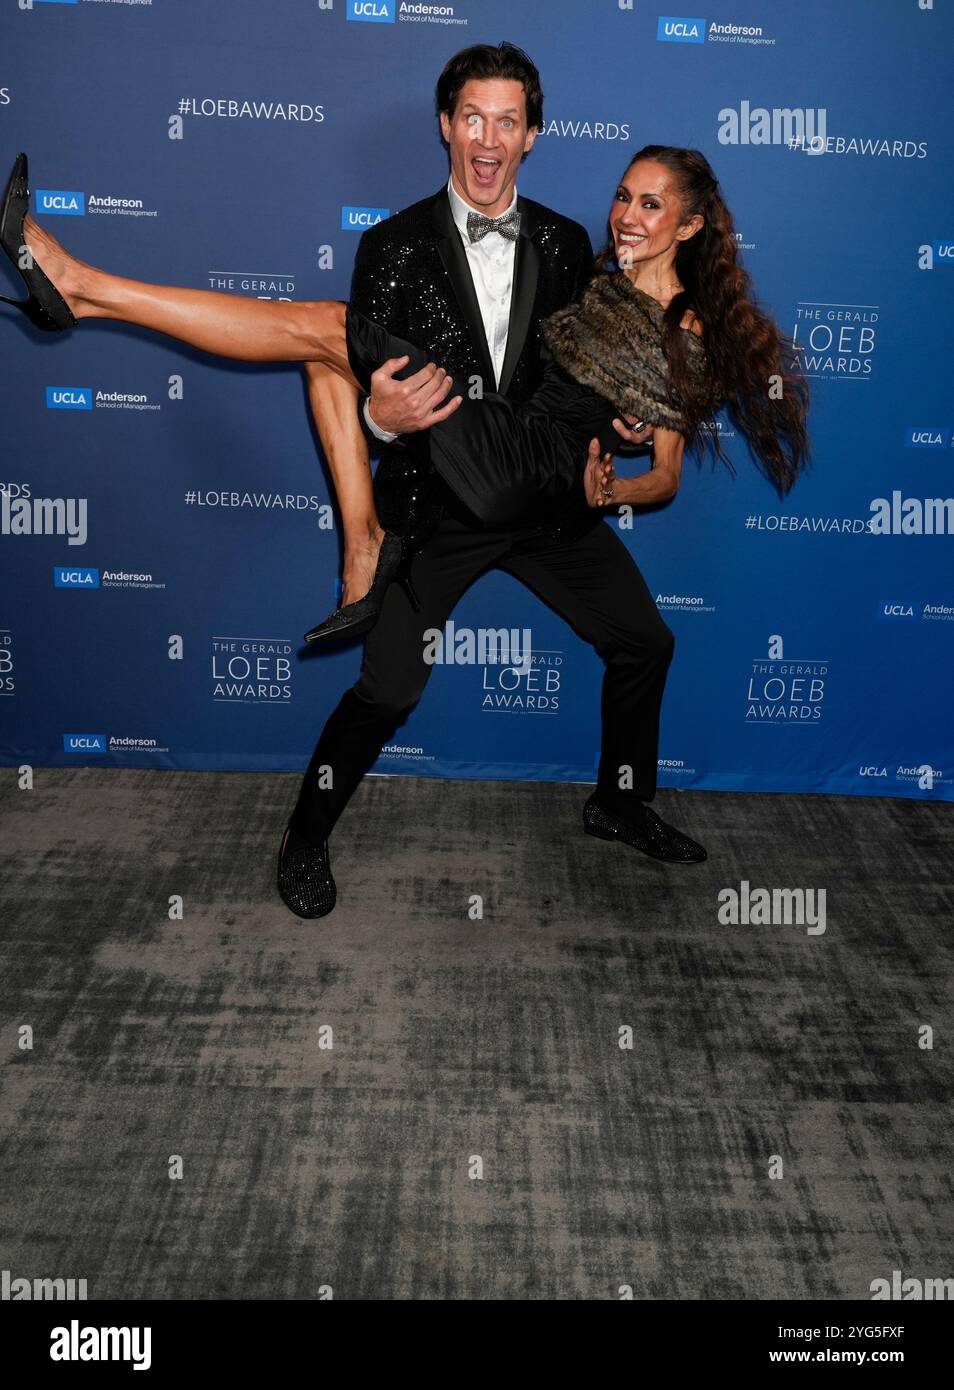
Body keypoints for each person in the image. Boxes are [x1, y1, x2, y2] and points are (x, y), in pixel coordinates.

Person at [0, 58, 808, 922]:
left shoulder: (578, 252)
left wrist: (621, 460)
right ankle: (303, 834)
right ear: (446, 125)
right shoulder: (402, 245)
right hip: (450, 494)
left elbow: (641, 416)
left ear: (532, 137)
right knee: (384, 678)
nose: (488, 138)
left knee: (645, 641)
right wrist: (381, 418)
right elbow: (387, 389)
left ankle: (617, 797)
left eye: (507, 121)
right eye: (472, 117)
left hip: (537, 492)